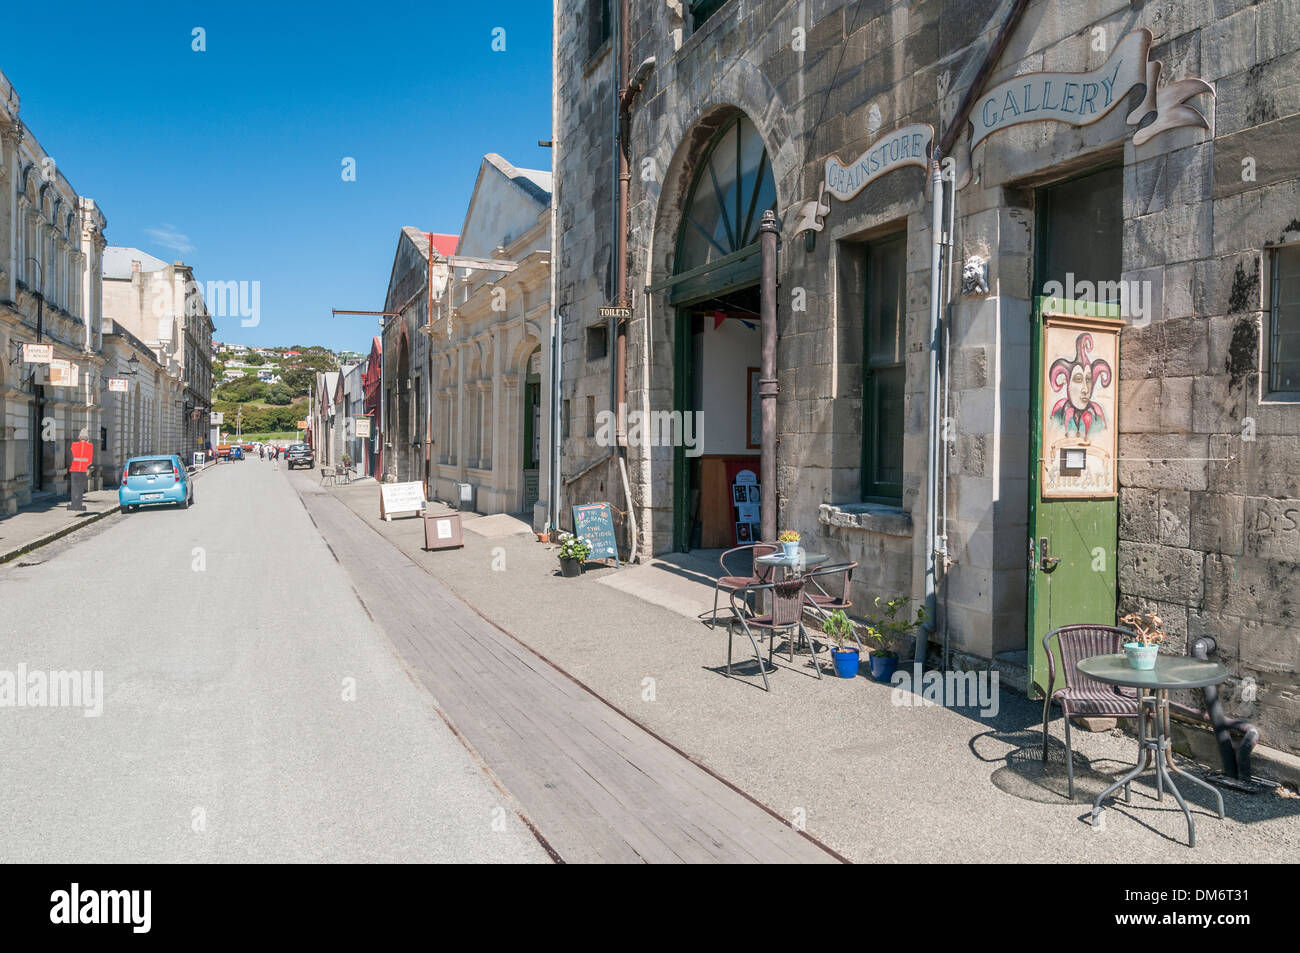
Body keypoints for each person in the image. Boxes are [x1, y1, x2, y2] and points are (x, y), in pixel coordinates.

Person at [69, 429, 93, 512]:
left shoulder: (74, 445)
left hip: (74, 469)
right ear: (87, 437)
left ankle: (73, 505)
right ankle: (79, 505)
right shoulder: (90, 446)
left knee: (74, 488)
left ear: (79, 437)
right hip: (83, 469)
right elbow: (90, 460)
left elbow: (71, 456)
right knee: (80, 488)